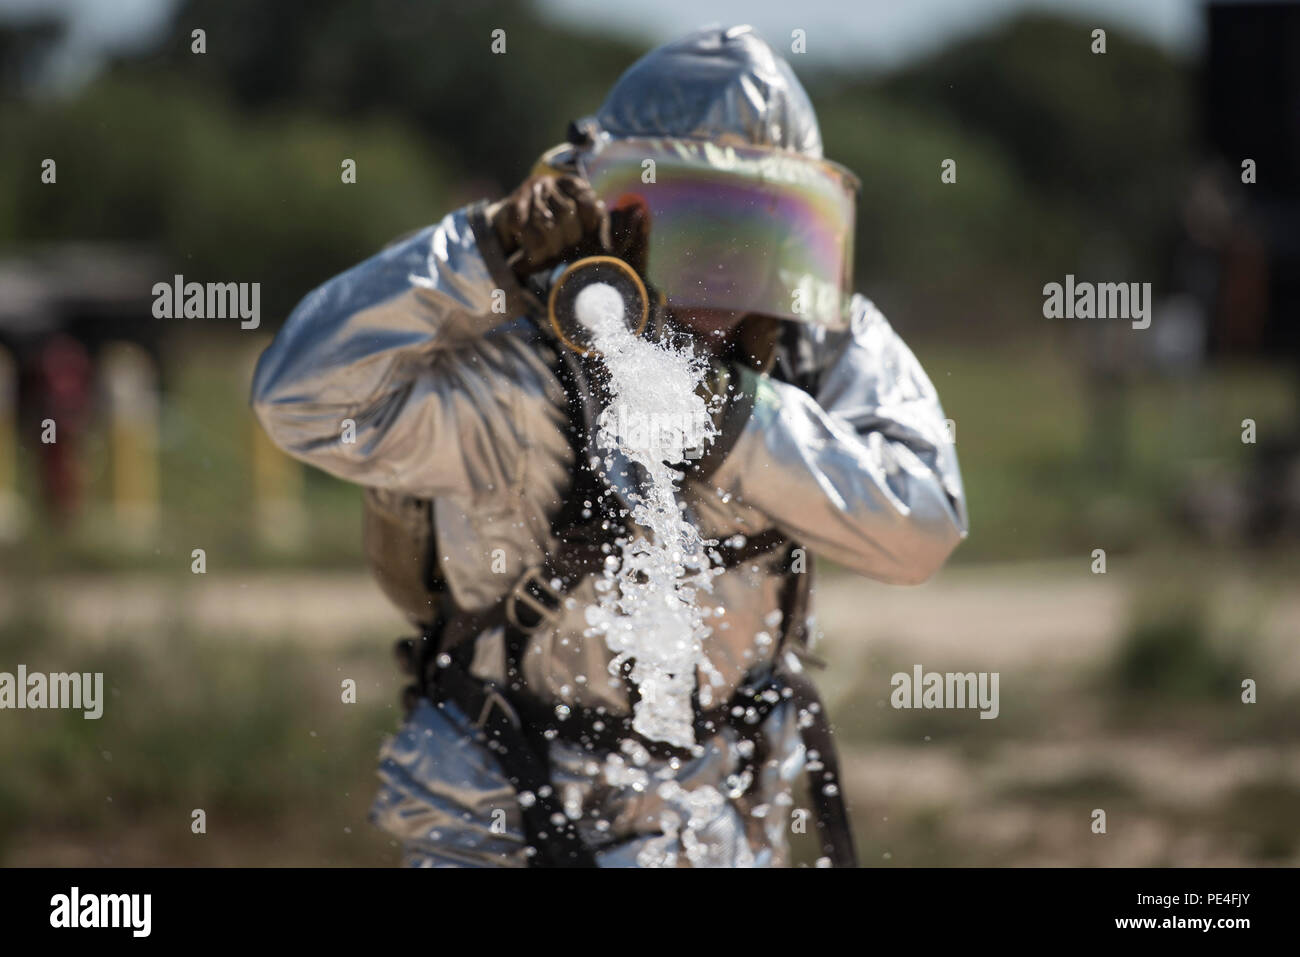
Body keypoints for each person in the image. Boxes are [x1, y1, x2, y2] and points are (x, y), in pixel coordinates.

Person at [251, 25, 968, 868]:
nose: (717, 284)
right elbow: (298, 398)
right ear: (607, 221)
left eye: (757, 240)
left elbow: (923, 525)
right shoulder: (520, 375)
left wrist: (725, 415)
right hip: (498, 823)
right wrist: (484, 250)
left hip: (718, 821)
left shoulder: (821, 360)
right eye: (687, 232)